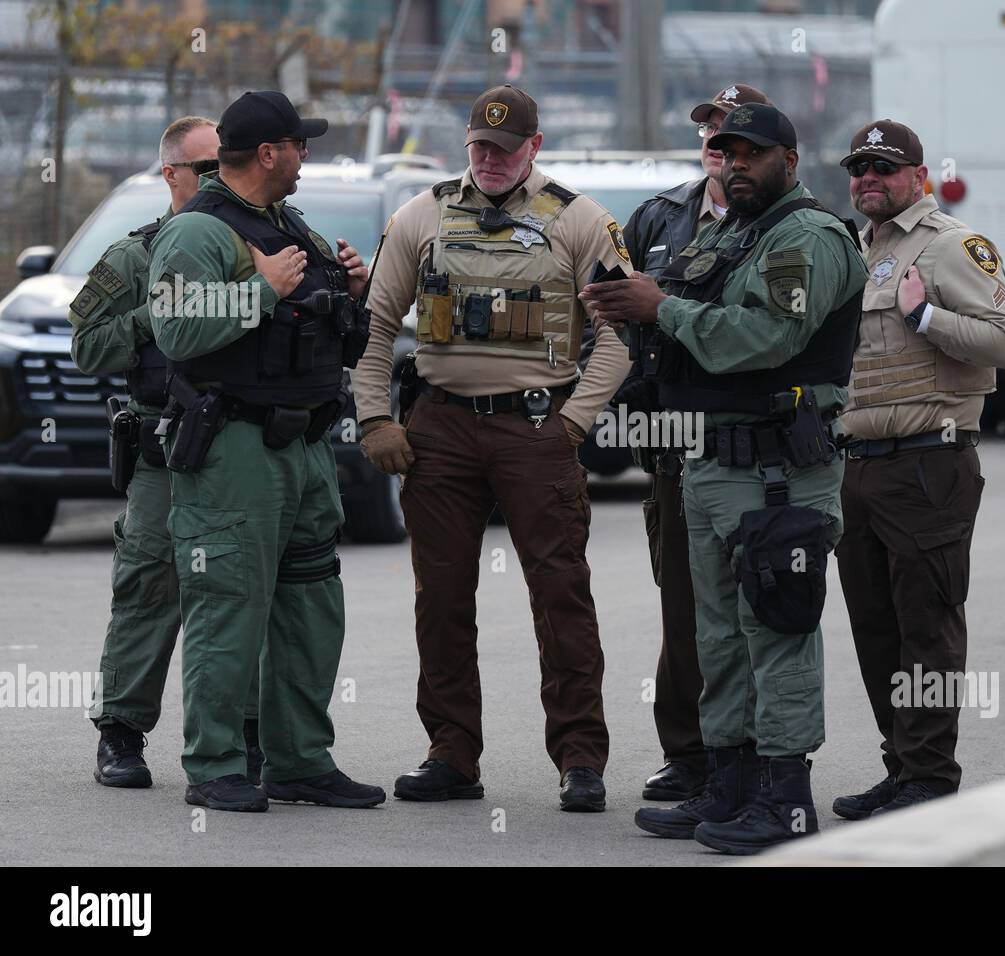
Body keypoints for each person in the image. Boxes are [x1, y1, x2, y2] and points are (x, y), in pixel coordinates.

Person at [582, 103, 868, 854]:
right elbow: (684, 328)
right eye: (723, 150)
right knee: (719, 639)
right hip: (710, 462)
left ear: (789, 159)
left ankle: (786, 801)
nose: (736, 163)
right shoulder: (724, 232)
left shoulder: (806, 236)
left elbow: (767, 338)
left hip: (777, 471)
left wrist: (662, 306)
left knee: (776, 631)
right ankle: (730, 785)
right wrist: (626, 309)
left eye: (751, 152)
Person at [354, 85, 632, 812]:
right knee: (439, 597)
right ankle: (450, 754)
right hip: (439, 428)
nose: (491, 160)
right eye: (480, 146)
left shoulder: (580, 221)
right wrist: (375, 422)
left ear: (534, 148)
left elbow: (622, 335)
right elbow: (375, 329)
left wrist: (575, 422)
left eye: (505, 150)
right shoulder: (421, 215)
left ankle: (579, 759)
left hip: (537, 425)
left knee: (560, 594)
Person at [146, 91, 384, 812]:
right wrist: (257, 289)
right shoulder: (199, 231)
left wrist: (346, 290)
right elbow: (174, 329)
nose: (308, 155)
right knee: (228, 606)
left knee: (311, 608)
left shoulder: (290, 225)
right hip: (236, 450)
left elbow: (321, 327)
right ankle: (215, 764)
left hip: (304, 444)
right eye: (300, 144)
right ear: (270, 153)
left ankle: (299, 761)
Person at [829, 120, 1005, 820]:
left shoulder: (950, 246)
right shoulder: (855, 250)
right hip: (858, 467)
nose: (868, 179)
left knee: (927, 630)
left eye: (883, 167)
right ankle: (901, 765)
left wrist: (926, 316)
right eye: (859, 168)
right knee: (875, 628)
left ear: (917, 174)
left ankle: (931, 778)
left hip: (928, 464)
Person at [70, 116, 264, 789]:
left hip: (243, 448)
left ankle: (247, 734)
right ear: (171, 174)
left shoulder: (254, 243)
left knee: (242, 592)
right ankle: (120, 733)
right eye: (204, 167)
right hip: (163, 449)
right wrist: (162, 311)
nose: (217, 179)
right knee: (149, 583)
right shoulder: (136, 256)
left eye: (224, 165)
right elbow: (87, 346)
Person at [621, 83, 772, 803]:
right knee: (685, 608)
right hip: (674, 442)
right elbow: (613, 312)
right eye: (712, 131)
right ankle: (688, 755)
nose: (719, 144)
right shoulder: (658, 216)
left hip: (756, 443)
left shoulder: (785, 223)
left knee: (761, 607)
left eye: (735, 135)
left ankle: (757, 758)